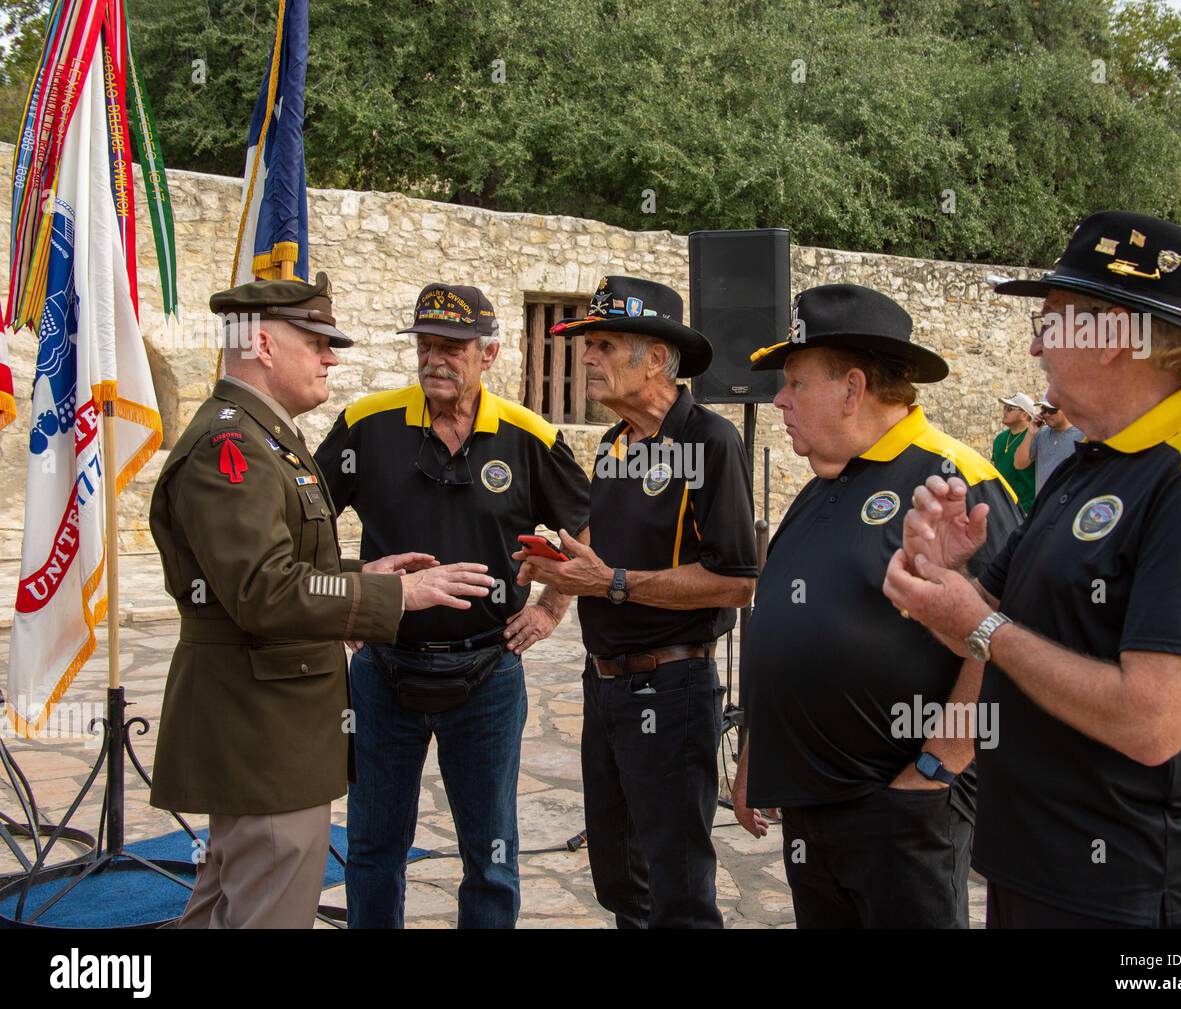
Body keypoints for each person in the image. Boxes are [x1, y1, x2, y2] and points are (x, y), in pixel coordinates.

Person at [883, 211, 1181, 929]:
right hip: (1038, 869)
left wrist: (978, 624)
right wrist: (945, 576)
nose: (1035, 344)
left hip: (1131, 891)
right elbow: (991, 632)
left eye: (1050, 322)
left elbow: (1152, 721)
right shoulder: (1094, 463)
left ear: (1114, 335)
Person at [149, 273, 494, 929]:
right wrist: (394, 593)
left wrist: (360, 572)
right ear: (264, 345)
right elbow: (261, 591)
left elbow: (276, 568)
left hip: (273, 730)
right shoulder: (234, 447)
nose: (332, 356)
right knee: (268, 910)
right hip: (263, 734)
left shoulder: (262, 436)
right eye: (316, 341)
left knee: (226, 906)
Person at [733, 283, 1022, 928]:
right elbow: (788, 631)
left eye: (795, 383)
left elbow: (1009, 640)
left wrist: (933, 770)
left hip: (902, 807)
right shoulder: (823, 487)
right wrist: (759, 757)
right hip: (813, 807)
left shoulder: (955, 479)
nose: (779, 399)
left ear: (853, 388)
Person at [315, 283, 591, 929]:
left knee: (490, 851)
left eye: (453, 347)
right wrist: (345, 596)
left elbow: (587, 530)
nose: (435, 358)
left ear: (489, 354)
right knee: (373, 843)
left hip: (487, 672)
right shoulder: (367, 424)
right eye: (426, 344)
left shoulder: (529, 436)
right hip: (384, 668)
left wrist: (551, 608)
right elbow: (300, 517)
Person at [514, 275, 757, 928]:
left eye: (603, 344)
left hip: (672, 686)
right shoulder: (613, 444)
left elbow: (738, 579)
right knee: (621, 881)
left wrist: (614, 583)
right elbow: (601, 540)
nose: (586, 357)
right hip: (607, 687)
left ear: (655, 357)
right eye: (586, 344)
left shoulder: (710, 442)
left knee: (677, 892)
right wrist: (553, 588)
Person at [1012, 395, 1085, 495]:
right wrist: (1030, 433)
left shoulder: (1082, 435)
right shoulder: (1040, 433)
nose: (1046, 415)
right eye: (1044, 410)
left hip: (1070, 501)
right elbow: (1019, 464)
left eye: (1052, 410)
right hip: (1044, 503)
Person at [991, 393, 1037, 512]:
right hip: (1001, 504)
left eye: (1010, 409)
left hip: (1025, 507)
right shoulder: (1000, 438)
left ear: (1024, 414)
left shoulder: (1034, 438)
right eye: (1005, 407)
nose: (1005, 411)